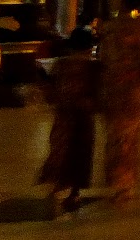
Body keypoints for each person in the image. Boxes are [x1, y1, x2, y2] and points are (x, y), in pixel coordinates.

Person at [97, 0, 140, 201]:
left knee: (121, 136)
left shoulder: (117, 28)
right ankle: (122, 180)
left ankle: (122, 181)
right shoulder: (129, 27)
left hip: (123, 88)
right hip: (125, 88)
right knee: (123, 136)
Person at [38, 27, 99, 214]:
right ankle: (74, 192)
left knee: (61, 151)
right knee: (80, 154)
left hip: (64, 117)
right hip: (83, 117)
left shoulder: (61, 65)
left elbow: (51, 89)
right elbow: (97, 93)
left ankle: (56, 184)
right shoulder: (92, 68)